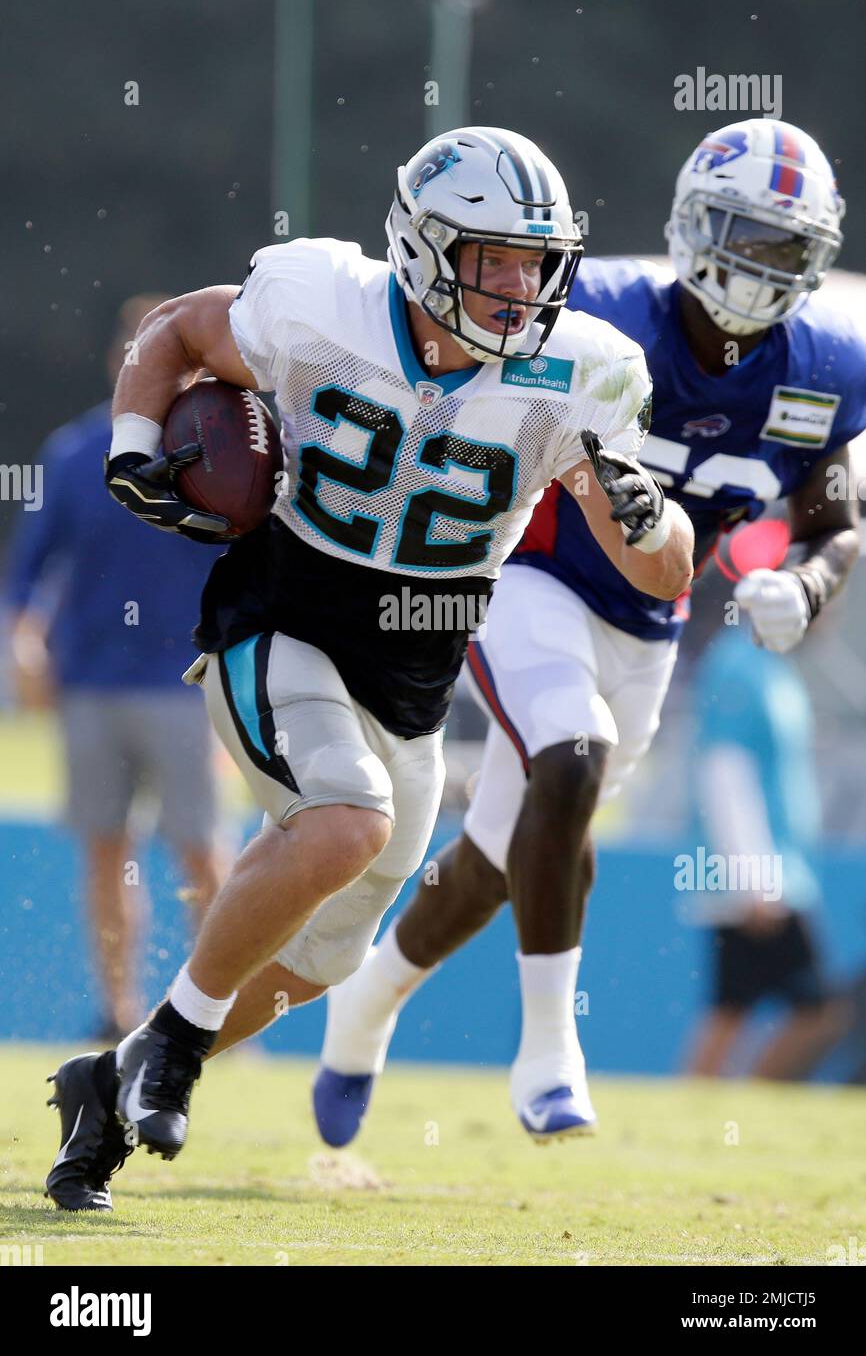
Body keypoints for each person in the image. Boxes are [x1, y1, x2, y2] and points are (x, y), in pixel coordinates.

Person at [42, 125, 694, 1210]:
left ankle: (112, 1080)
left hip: (414, 672)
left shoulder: (579, 369)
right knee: (346, 821)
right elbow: (173, 332)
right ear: (422, 245)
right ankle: (167, 1048)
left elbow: (659, 567)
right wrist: (127, 444)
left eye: (532, 260)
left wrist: (653, 519)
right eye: (488, 256)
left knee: (311, 964)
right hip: (281, 618)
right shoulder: (322, 305)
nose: (513, 283)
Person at [308, 118, 865, 1148]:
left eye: (784, 245)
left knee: (500, 851)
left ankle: (368, 1000)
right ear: (692, 226)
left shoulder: (828, 362)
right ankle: (549, 1054)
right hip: (525, 577)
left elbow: (835, 522)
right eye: (741, 233)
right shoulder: (594, 306)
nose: (757, 265)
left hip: (647, 625)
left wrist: (807, 582)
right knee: (571, 755)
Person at [7, 295, 223, 1040]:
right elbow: (28, 570)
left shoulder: (220, 453)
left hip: (188, 686)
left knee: (201, 847)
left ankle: (218, 1014)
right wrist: (25, 640)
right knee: (107, 850)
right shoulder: (73, 454)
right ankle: (119, 1009)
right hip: (91, 685)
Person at [685, 616, 842, 1080]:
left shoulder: (770, 666)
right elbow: (724, 772)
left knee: (733, 1008)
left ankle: (719, 1112)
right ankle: (736, 1108)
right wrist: (752, 880)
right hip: (760, 878)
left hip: (777, 873)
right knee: (813, 1010)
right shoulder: (739, 664)